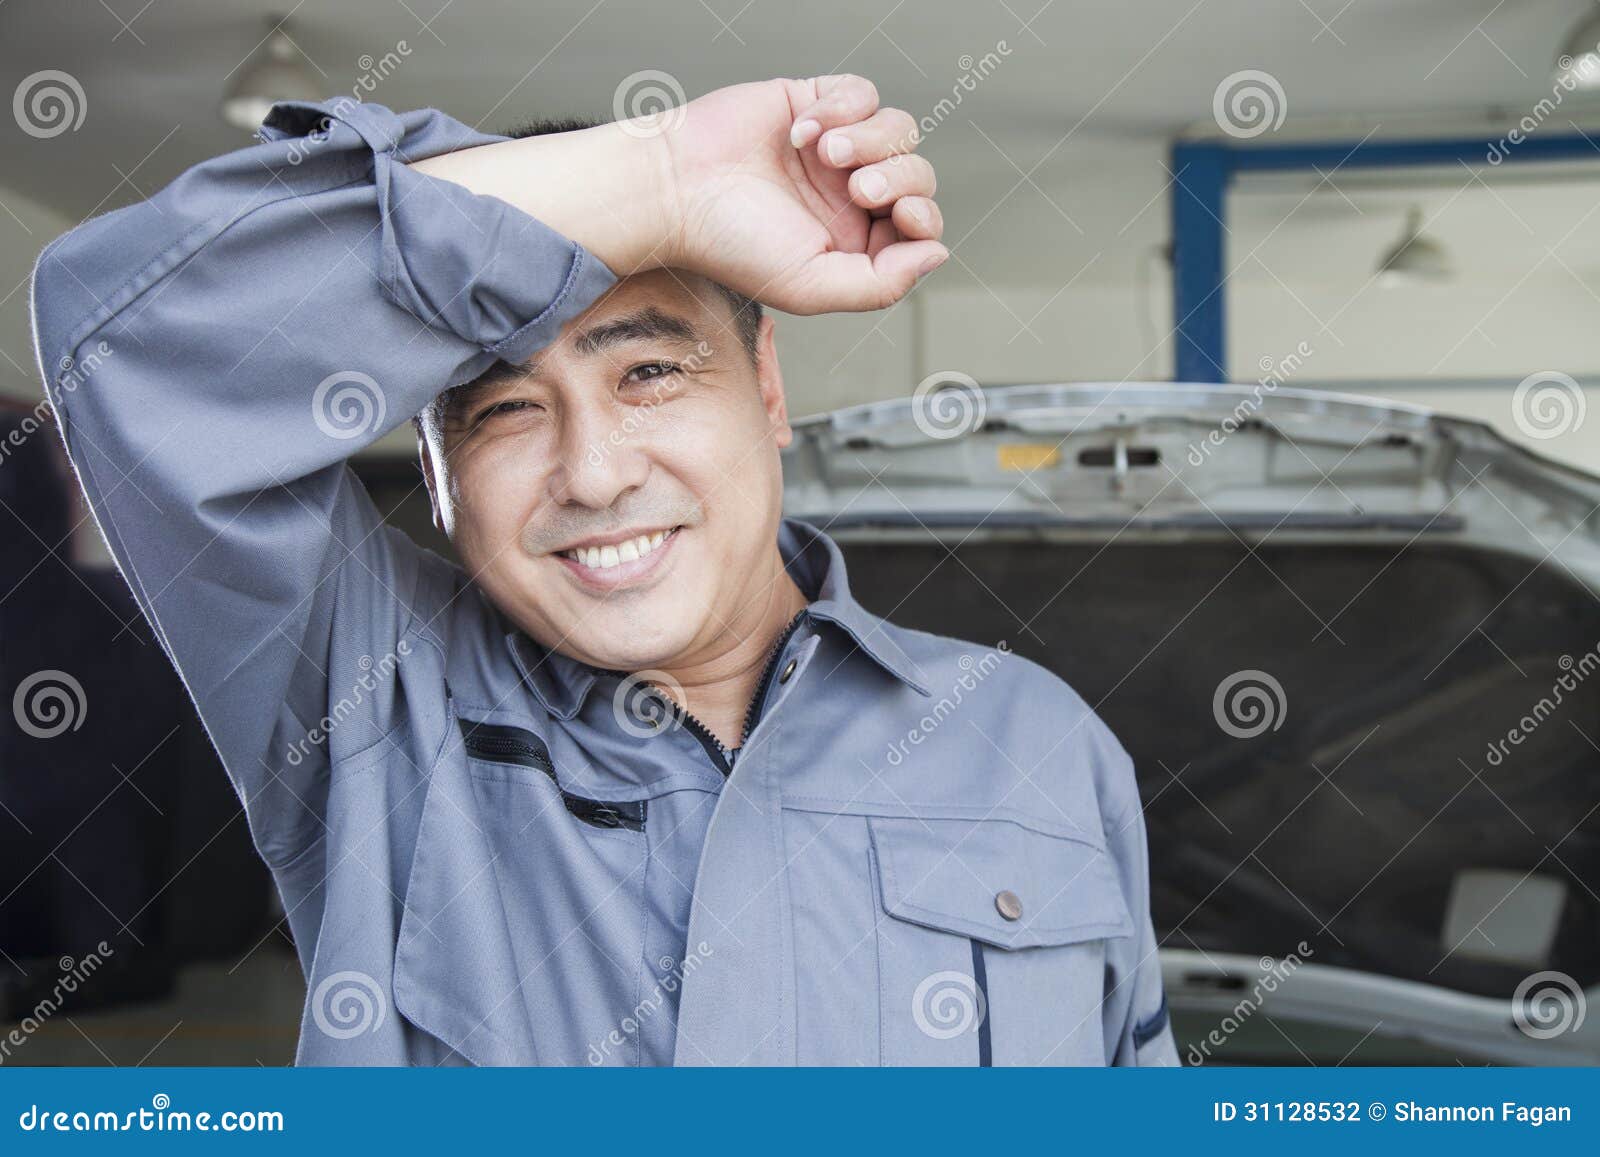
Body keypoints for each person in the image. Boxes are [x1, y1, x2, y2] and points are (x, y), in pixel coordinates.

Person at [31, 74, 1176, 1066]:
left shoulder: (1035, 742)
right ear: (432, 469)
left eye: (647, 375)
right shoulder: (370, 710)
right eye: (506, 410)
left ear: (767, 387)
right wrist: (661, 174)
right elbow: (125, 344)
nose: (590, 471)